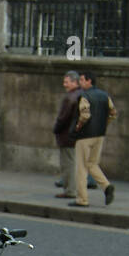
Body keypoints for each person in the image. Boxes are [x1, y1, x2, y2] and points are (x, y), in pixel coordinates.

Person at [69, 69, 116, 208]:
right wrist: (104, 123)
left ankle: (82, 199)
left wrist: (78, 126)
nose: (80, 82)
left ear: (89, 81)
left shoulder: (84, 96)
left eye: (82, 80)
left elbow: (85, 114)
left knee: (81, 168)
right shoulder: (104, 95)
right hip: (99, 134)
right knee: (92, 164)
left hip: (85, 135)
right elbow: (113, 113)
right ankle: (106, 186)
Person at [53, 69, 80, 198]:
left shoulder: (70, 98)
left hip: (67, 135)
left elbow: (63, 118)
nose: (64, 84)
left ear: (75, 82)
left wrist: (56, 128)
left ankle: (70, 190)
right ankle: (72, 189)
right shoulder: (81, 95)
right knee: (73, 162)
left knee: (68, 164)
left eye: (67, 82)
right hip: (76, 135)